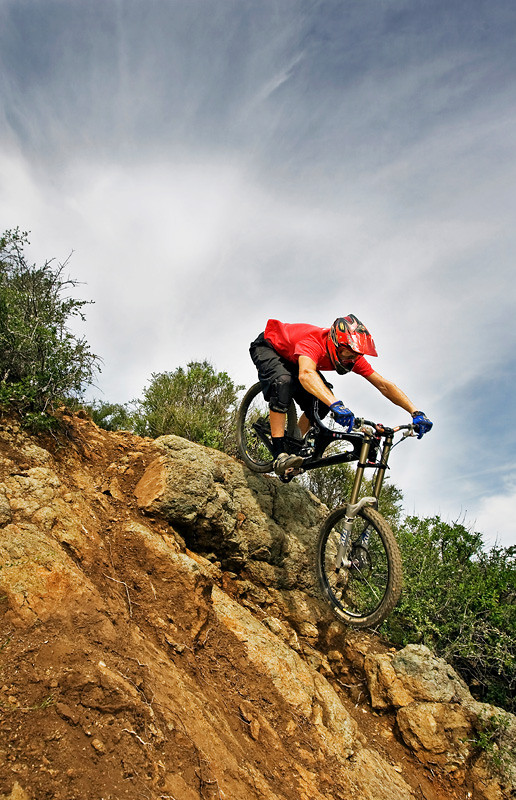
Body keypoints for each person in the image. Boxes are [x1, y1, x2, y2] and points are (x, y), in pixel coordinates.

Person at [249, 315, 433, 476]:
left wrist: (415, 412)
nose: (350, 360)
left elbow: (383, 385)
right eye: (346, 354)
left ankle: (293, 443)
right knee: (284, 382)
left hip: (295, 357)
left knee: (320, 403)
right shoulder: (313, 342)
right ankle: (280, 454)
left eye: (354, 356)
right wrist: (335, 404)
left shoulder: (352, 356)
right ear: (335, 342)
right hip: (268, 346)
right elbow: (306, 374)